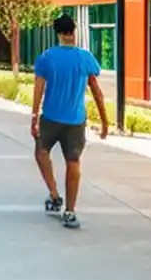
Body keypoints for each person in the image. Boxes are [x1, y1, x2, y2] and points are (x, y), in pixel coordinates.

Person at [31, 15, 108, 229]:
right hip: (76, 121)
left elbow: (39, 88)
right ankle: (71, 212)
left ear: (58, 33)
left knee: (41, 151)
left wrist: (34, 116)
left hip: (50, 118)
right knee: (73, 163)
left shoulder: (47, 58)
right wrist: (104, 121)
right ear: (74, 31)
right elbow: (97, 92)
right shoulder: (85, 58)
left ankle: (55, 194)